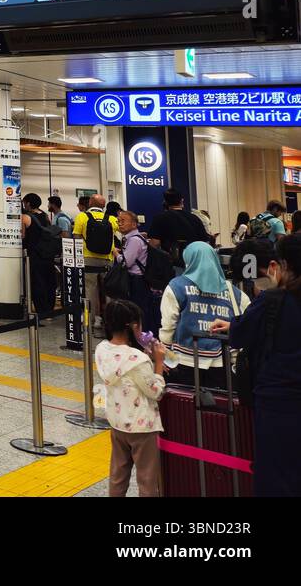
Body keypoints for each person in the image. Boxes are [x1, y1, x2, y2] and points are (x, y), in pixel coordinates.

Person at [209, 234, 301, 497]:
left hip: (278, 399)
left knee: (276, 473)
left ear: (284, 266)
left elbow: (243, 333)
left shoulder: (274, 298)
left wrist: (232, 325)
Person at [97, 298, 166, 497]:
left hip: (117, 424)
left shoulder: (102, 349)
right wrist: (158, 363)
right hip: (142, 427)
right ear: (134, 326)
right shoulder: (138, 359)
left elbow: (124, 372)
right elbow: (155, 391)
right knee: (147, 480)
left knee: (118, 475)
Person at [159, 240, 250, 388]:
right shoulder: (235, 293)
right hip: (222, 364)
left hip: (185, 361)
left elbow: (168, 327)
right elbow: (247, 323)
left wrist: (164, 358)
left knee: (185, 407)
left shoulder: (176, 287)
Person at [73, 194, 119, 324]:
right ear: (103, 205)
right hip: (107, 259)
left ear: (90, 203)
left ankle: (91, 319)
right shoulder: (111, 219)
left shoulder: (82, 217)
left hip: (88, 259)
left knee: (90, 290)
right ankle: (111, 320)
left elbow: (76, 237)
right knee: (108, 290)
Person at [113, 209, 158, 333]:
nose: (120, 224)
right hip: (137, 280)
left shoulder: (134, 240)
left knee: (137, 311)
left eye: (123, 221)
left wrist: (116, 254)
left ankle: (139, 337)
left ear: (134, 224)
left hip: (137, 281)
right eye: (118, 221)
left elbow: (127, 263)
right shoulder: (135, 238)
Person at [20, 194, 58, 317]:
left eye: (25, 203)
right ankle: (49, 309)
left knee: (37, 282)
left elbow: (23, 236)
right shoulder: (45, 215)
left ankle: (41, 310)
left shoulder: (25, 217)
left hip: (34, 254)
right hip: (48, 254)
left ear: (28, 203)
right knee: (49, 281)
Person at [148, 190, 209, 261]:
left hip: (173, 261)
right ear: (182, 201)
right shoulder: (194, 218)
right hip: (194, 259)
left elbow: (155, 243)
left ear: (165, 202)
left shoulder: (159, 218)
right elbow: (204, 240)